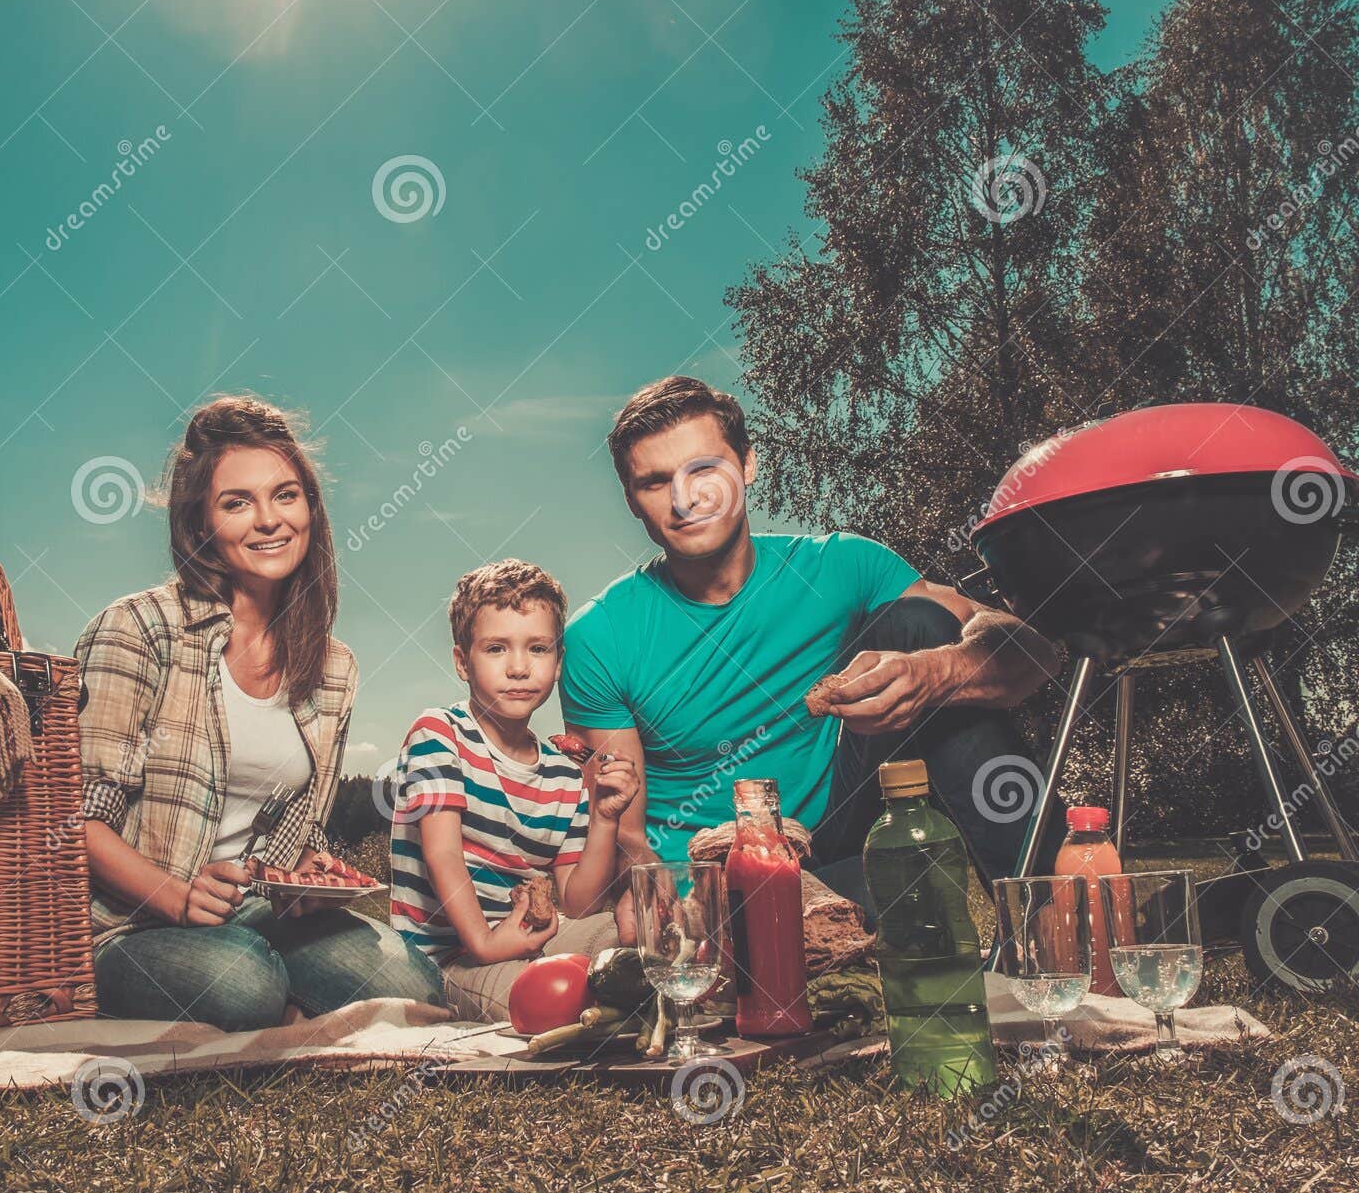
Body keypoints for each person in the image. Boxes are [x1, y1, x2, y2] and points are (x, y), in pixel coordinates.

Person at [558, 375, 1068, 931]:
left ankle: (1051, 922)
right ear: (632, 500)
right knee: (874, 920)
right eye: (656, 482)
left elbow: (1035, 652)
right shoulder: (599, 635)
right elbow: (624, 829)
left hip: (837, 833)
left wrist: (937, 673)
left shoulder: (843, 565)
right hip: (716, 888)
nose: (685, 499)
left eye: (704, 469)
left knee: (920, 625)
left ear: (747, 465)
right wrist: (651, 890)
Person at [75, 394, 443, 1030]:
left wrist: (308, 873)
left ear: (310, 509)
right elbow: (77, 821)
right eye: (237, 503)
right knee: (245, 986)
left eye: (285, 495)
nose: (269, 520)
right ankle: (281, 1001)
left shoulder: (334, 668)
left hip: (258, 912)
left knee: (415, 983)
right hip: (131, 925)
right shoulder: (139, 628)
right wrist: (177, 897)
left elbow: (296, 826)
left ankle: (284, 997)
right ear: (201, 525)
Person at [387, 560, 640, 1022]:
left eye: (538, 649)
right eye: (497, 648)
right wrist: (486, 943)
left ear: (558, 662)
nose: (519, 668)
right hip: (449, 959)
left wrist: (605, 818)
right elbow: (443, 854)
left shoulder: (565, 774)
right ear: (462, 661)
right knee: (550, 1001)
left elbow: (579, 903)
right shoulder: (439, 734)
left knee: (629, 944)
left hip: (532, 940)